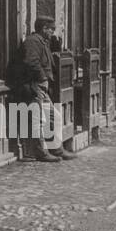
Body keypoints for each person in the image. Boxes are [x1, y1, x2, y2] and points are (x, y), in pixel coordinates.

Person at [19, 17, 75, 162]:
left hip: (41, 87)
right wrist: (42, 78)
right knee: (39, 119)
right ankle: (40, 152)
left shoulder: (41, 42)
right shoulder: (32, 42)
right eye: (51, 29)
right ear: (44, 28)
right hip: (34, 86)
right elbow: (31, 62)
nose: (52, 32)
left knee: (54, 116)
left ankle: (56, 148)